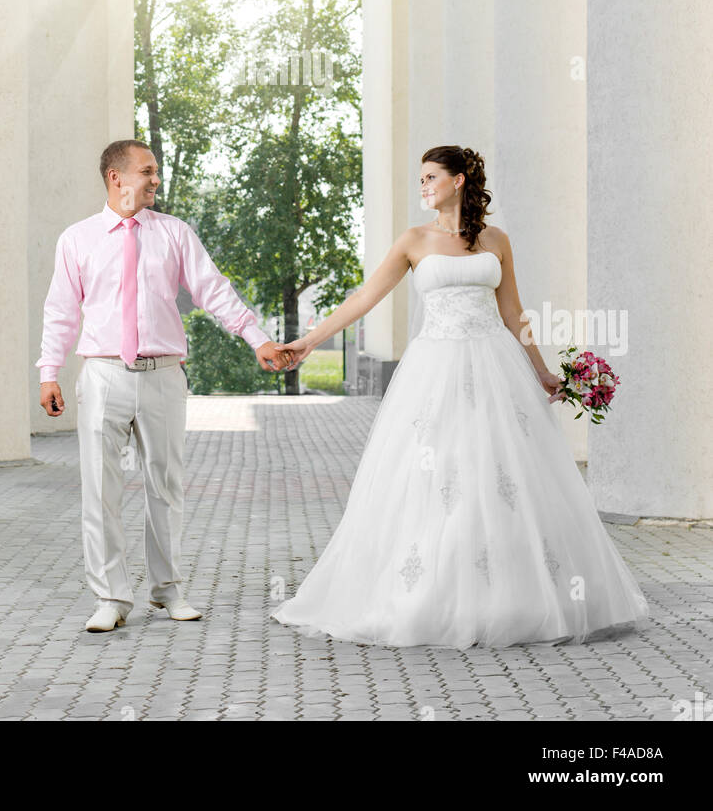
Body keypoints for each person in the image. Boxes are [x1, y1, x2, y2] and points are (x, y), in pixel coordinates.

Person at [271, 145, 650, 649]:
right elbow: (365, 297)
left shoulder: (496, 240)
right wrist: (307, 341)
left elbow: (514, 312)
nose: (423, 186)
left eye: (431, 177)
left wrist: (540, 370)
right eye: (420, 178)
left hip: (497, 366)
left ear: (460, 180)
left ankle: (515, 597)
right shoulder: (414, 240)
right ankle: (430, 594)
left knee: (503, 474)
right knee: (438, 476)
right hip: (435, 370)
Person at [36, 138, 293, 632]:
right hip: (104, 374)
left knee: (166, 487)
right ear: (117, 177)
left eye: (156, 171)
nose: (156, 179)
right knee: (100, 489)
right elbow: (61, 311)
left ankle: (168, 589)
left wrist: (256, 338)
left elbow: (213, 290)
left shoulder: (174, 234)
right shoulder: (77, 239)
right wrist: (50, 371)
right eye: (147, 170)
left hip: (163, 377)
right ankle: (110, 597)